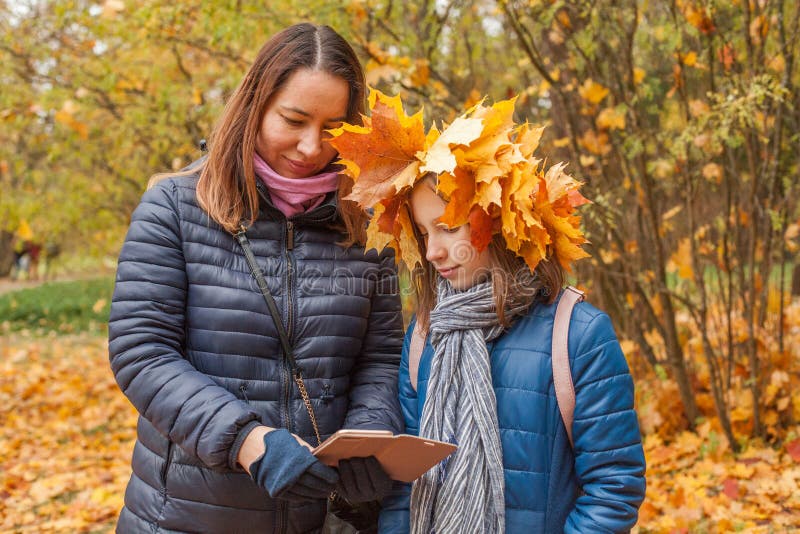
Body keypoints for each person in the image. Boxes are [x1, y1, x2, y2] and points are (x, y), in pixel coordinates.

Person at [108, 23, 404, 533]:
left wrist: (369, 435)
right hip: (184, 516)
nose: (312, 146)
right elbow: (141, 351)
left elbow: (380, 359)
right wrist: (249, 442)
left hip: (317, 516)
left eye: (332, 128)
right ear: (255, 106)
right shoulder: (176, 207)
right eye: (293, 119)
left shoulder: (367, 227)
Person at [329, 92, 647, 533]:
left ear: (495, 219)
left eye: (448, 227)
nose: (434, 251)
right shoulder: (424, 338)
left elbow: (613, 487)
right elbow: (406, 488)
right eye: (424, 233)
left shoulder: (577, 335)